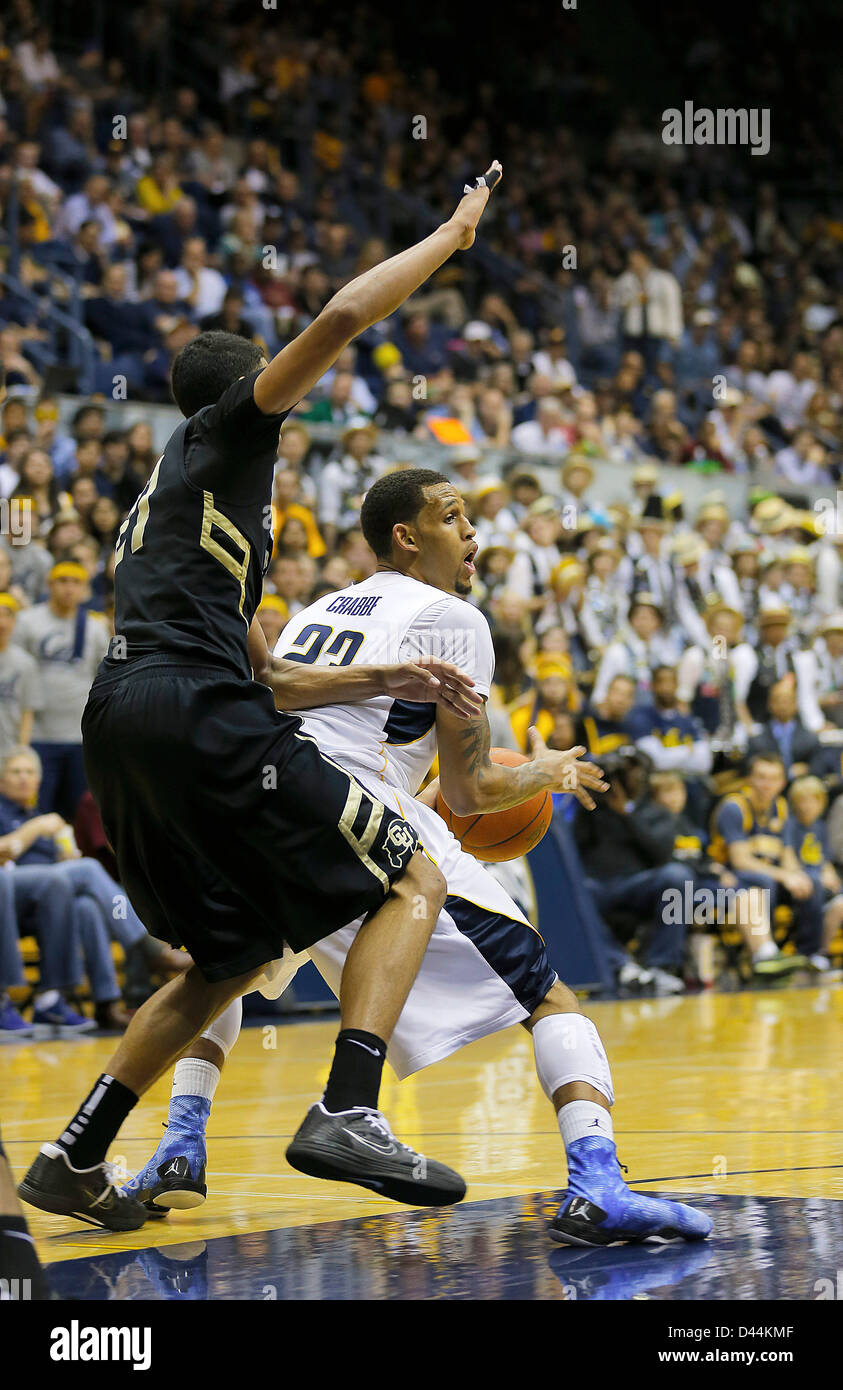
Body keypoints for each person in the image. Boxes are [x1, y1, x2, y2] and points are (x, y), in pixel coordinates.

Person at [18, 163, 507, 1231]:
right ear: (256, 397)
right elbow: (338, 312)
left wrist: (387, 675)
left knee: (231, 959)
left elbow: (276, 675)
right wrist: (452, 235)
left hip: (127, 719)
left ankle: (76, 1152)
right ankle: (348, 1106)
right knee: (412, 871)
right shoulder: (236, 432)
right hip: (193, 709)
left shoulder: (170, 502)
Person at [122, 470, 710, 1249]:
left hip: (263, 806)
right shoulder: (454, 618)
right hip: (358, 812)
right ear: (406, 536)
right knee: (548, 995)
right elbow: (468, 793)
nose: (472, 534)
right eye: (453, 517)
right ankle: (596, 1183)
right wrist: (545, 773)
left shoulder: (318, 608)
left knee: (226, 971)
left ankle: (178, 1145)